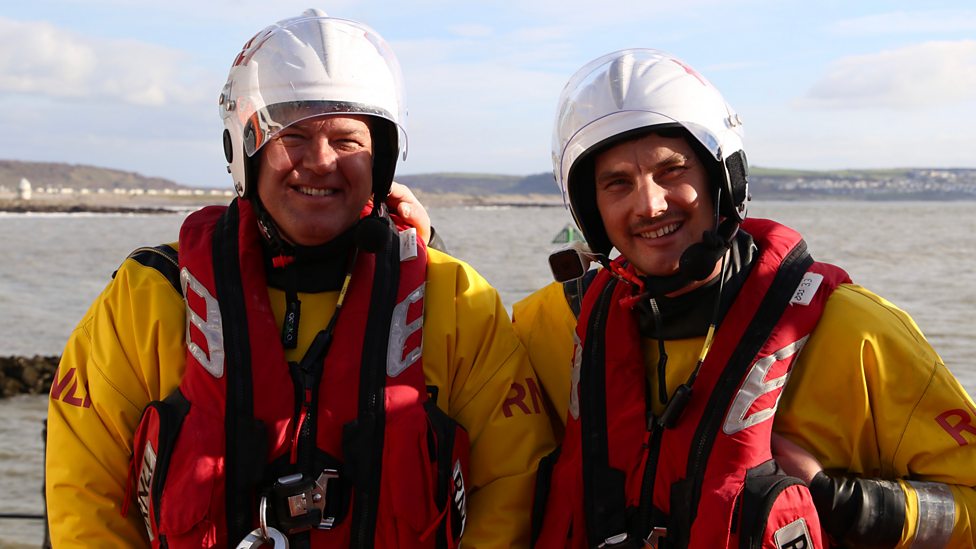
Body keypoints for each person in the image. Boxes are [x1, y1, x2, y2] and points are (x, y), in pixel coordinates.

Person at [44, 10, 553, 548]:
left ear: (380, 163)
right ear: (245, 150)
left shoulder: (457, 300)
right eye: (293, 135)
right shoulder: (148, 298)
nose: (321, 161)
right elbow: (86, 497)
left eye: (348, 140)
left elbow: (512, 488)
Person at [508, 49, 976, 547]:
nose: (649, 205)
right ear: (591, 209)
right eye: (618, 183)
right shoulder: (547, 326)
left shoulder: (857, 332)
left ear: (722, 180)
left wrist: (847, 503)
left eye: (672, 171)